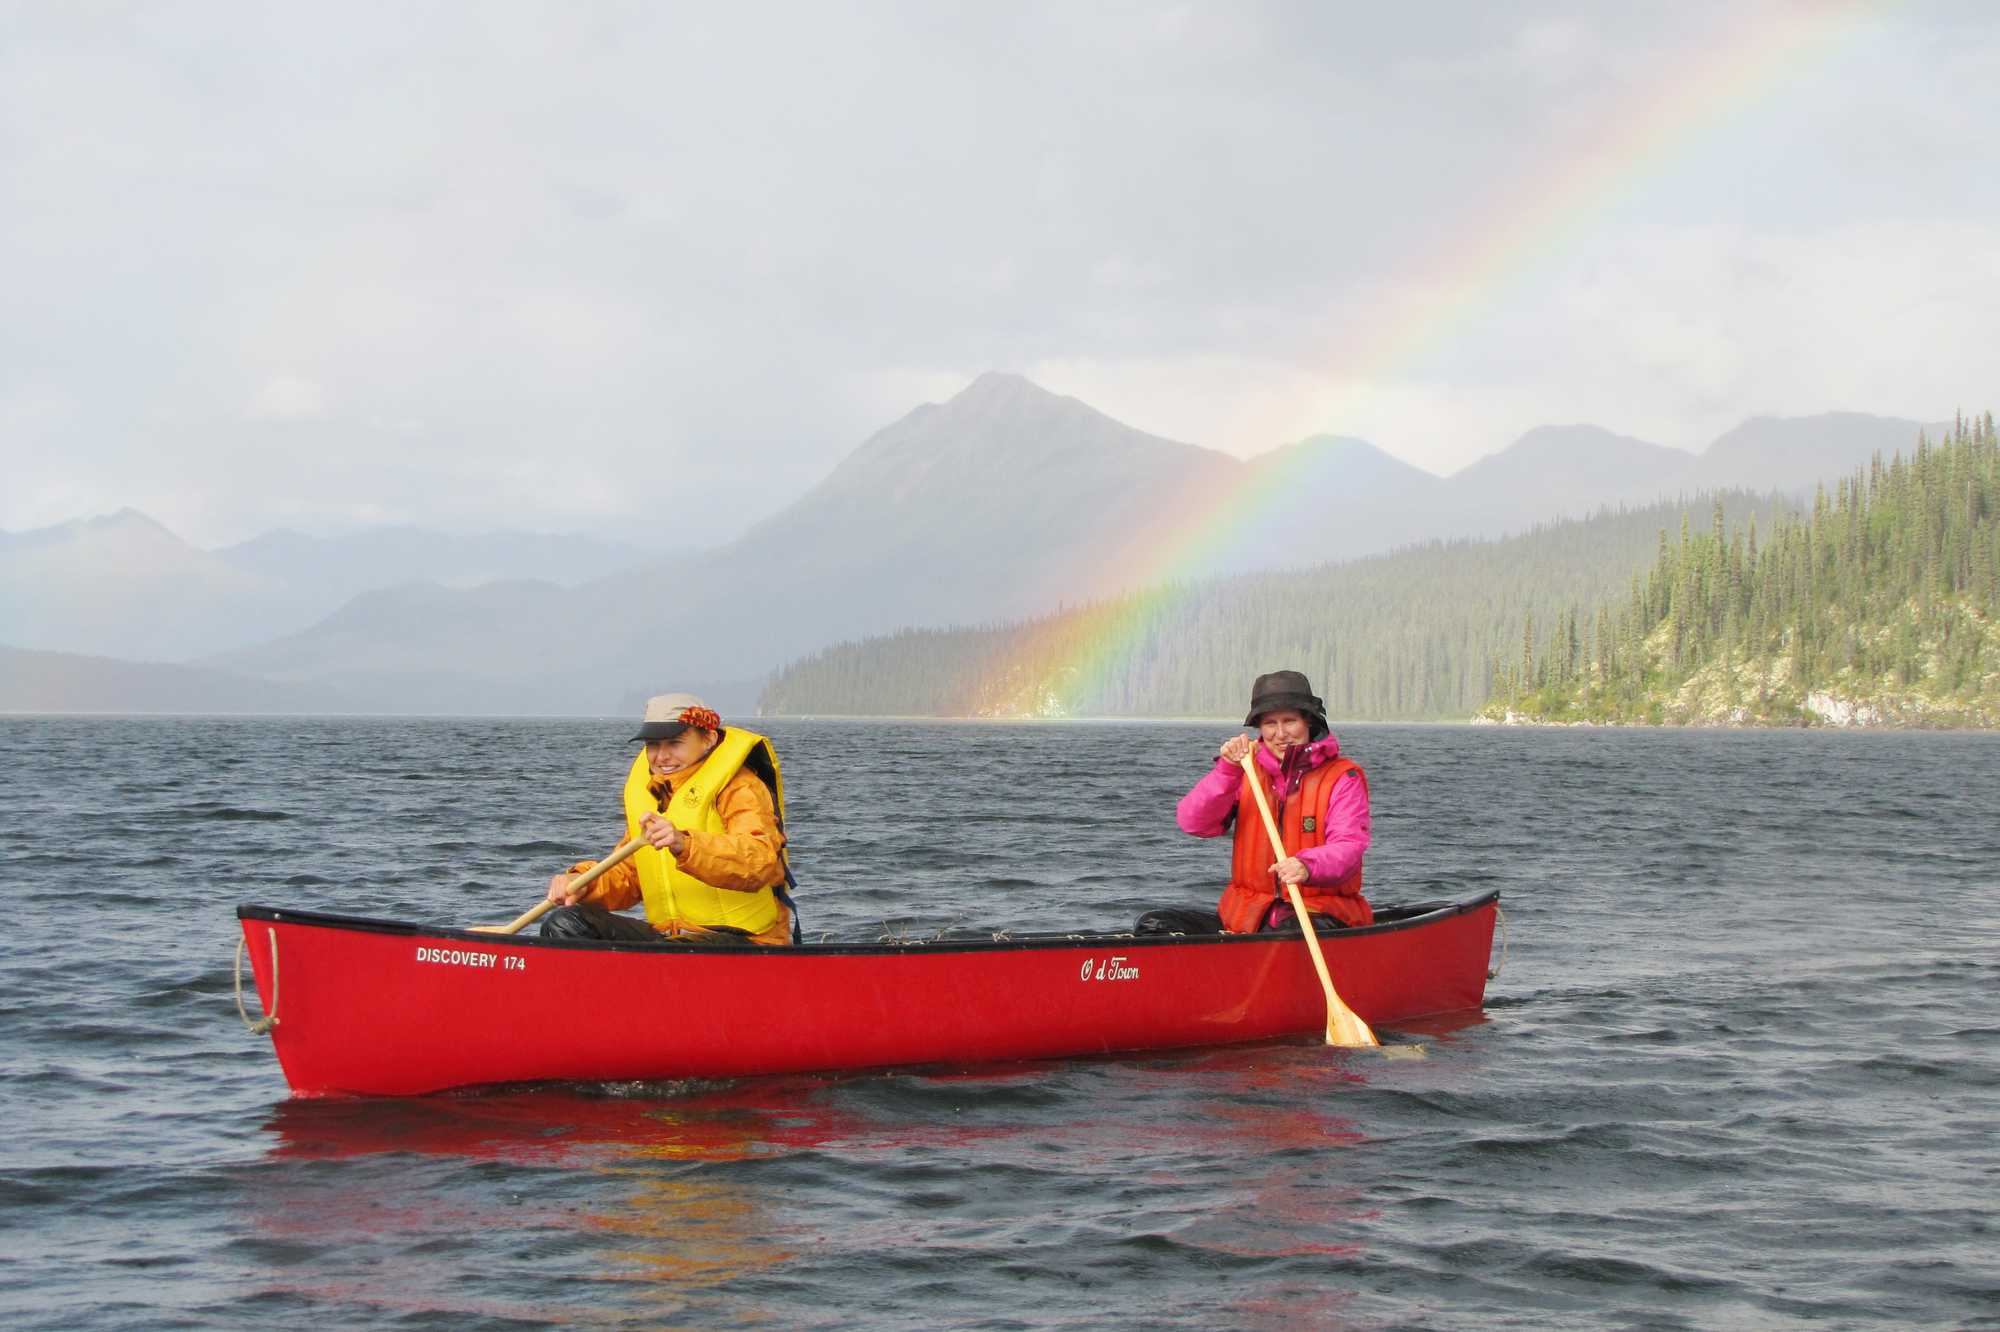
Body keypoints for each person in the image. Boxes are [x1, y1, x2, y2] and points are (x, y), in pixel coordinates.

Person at [541, 693, 800, 945]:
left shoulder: (741, 787)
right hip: (671, 937)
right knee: (564, 923)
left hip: (744, 939)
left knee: (675, 951)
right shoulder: (654, 792)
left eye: (674, 743)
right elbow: (630, 876)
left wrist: (684, 844)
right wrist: (583, 883)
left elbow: (759, 861)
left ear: (708, 738)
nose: (661, 757)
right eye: (653, 745)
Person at [1169, 669, 1372, 933]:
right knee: (1155, 924)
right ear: (1260, 728)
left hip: (1321, 911)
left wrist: (1306, 866)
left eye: (1289, 721)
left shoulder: (1344, 777)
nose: (1280, 733)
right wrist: (1228, 770)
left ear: (1308, 722)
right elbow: (1193, 822)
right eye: (1270, 724)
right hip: (1247, 914)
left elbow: (1349, 846)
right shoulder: (1246, 770)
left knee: (1289, 930)